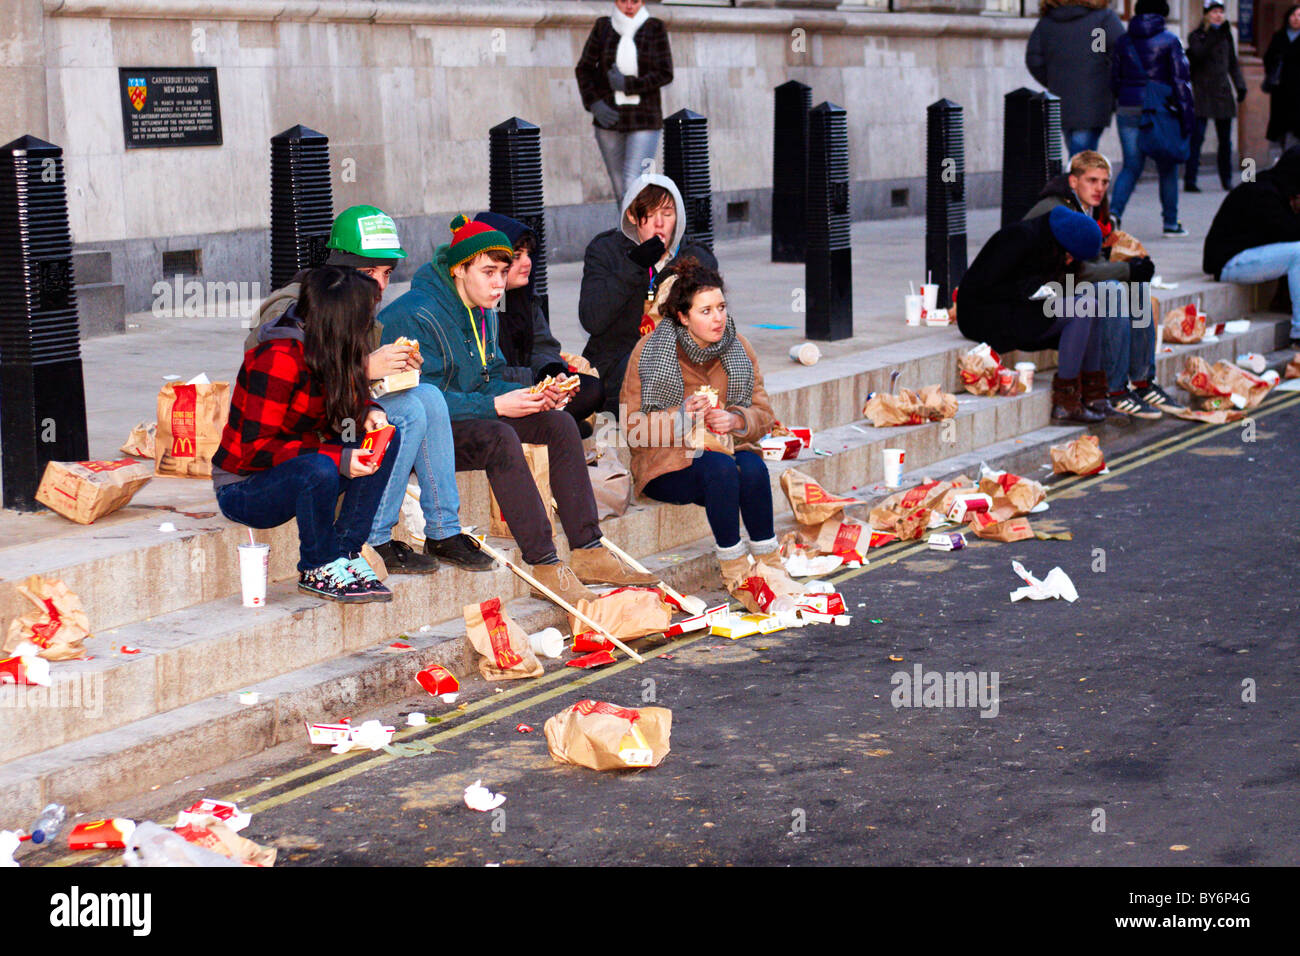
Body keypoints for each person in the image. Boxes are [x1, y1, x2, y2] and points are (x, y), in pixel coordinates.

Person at [378, 215, 659, 605]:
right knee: (500, 434)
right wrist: (496, 404)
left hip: (467, 415)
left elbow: (488, 376)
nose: (498, 283)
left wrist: (534, 394)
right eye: (489, 272)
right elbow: (421, 400)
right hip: (423, 437)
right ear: (459, 268)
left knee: (559, 423)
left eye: (503, 272)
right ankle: (543, 562)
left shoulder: (481, 306)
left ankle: (588, 548)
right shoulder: (417, 313)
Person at [243, 205, 488, 576]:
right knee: (404, 412)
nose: (380, 285)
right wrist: (365, 368)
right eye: (368, 272)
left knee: (427, 397)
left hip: (335, 423)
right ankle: (374, 537)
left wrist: (392, 373)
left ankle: (444, 531)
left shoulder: (360, 310)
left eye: (386, 273)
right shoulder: (290, 307)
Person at [213, 267, 397, 603]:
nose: (366, 326)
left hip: (307, 464)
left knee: (385, 435)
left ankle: (345, 552)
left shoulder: (331, 345)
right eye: (362, 318)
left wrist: (368, 410)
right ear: (339, 318)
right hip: (245, 487)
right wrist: (338, 458)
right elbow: (257, 450)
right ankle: (317, 565)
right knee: (320, 468)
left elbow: (345, 403)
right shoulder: (278, 359)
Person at [621, 257, 788, 592]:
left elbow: (763, 412)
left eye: (722, 307)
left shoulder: (738, 347)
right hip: (667, 464)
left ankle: (769, 563)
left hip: (723, 450)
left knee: (752, 467)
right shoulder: (651, 351)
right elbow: (633, 429)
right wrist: (681, 416)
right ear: (683, 316)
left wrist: (736, 419)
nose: (719, 318)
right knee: (721, 469)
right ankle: (735, 569)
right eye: (706, 311)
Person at [1023, 151, 1183, 421]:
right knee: (1112, 291)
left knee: (1136, 289)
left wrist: (1130, 269)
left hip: (1066, 282)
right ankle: (1114, 387)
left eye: (1105, 182)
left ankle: (1143, 383)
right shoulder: (1057, 209)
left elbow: (1088, 262)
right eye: (1092, 180)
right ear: (1073, 181)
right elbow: (1079, 271)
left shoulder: (1084, 206)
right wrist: (1126, 269)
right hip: (1042, 291)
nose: (1099, 189)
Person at [579, 173, 718, 414]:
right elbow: (593, 320)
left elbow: (711, 323)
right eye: (650, 215)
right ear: (632, 216)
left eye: (667, 214)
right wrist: (634, 265)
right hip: (616, 364)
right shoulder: (605, 250)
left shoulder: (695, 257)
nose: (659, 224)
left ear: (678, 217)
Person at [956, 206, 1107, 423]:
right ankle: (1065, 401)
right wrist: (1033, 291)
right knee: (1084, 308)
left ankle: (1094, 397)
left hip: (1020, 308)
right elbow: (984, 287)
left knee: (1091, 306)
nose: (1070, 260)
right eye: (1070, 255)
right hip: (985, 314)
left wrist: (1044, 292)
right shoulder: (1019, 237)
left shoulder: (1051, 244)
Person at [472, 211, 606, 437]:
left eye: (528, 254)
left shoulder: (523, 296)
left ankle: (556, 423)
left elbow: (543, 345)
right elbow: (486, 375)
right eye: (516, 256)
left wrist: (552, 373)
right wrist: (535, 382)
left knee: (592, 389)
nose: (527, 262)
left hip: (534, 386)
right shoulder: (479, 302)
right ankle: (555, 426)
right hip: (501, 396)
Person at [1109, 0, 1194, 237]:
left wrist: (1124, 98)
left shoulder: (1123, 41)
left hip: (1128, 107)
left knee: (1131, 166)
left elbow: (1114, 78)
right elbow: (1181, 82)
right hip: (1160, 111)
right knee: (1167, 165)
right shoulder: (1170, 40)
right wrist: (1188, 118)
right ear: (1163, 13)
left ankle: (1114, 215)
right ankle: (1170, 223)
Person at [575, 0, 674, 202]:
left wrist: (628, 84)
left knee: (634, 182)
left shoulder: (654, 27)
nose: (629, 6)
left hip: (644, 118)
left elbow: (665, 73)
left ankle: (636, 232)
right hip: (608, 117)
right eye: (623, 1)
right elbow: (584, 69)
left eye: (635, 1)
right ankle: (626, 233)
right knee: (619, 185)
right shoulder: (603, 27)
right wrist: (594, 103)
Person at [1204, 146, 1300, 347]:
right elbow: (1289, 233)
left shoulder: (1274, 187)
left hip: (1247, 255)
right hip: (1229, 262)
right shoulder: (1264, 193)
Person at [1025, 0, 1125, 155]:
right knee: (1081, 160)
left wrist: (1055, 80)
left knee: (1077, 152)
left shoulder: (1047, 22)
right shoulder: (1103, 19)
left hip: (1062, 99)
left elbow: (1034, 59)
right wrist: (1109, 84)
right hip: (1095, 101)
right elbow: (1121, 55)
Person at [1186, 0, 1248, 193]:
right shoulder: (1197, 35)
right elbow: (1198, 54)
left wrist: (1240, 86)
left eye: (1221, 12)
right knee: (1197, 138)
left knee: (1225, 141)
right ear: (1206, 14)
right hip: (1202, 93)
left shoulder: (1226, 36)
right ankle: (1190, 179)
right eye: (1214, 12)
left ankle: (1226, 179)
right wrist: (1212, 35)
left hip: (1222, 93)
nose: (1218, 15)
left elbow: (1233, 64)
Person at [1264, 5, 1300, 161]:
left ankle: (1292, 162)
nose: (1296, 19)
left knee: (1295, 129)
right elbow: (1268, 58)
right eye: (1294, 15)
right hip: (1280, 90)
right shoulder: (1279, 37)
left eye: (1299, 16)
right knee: (1279, 128)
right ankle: (1277, 161)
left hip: (1298, 92)